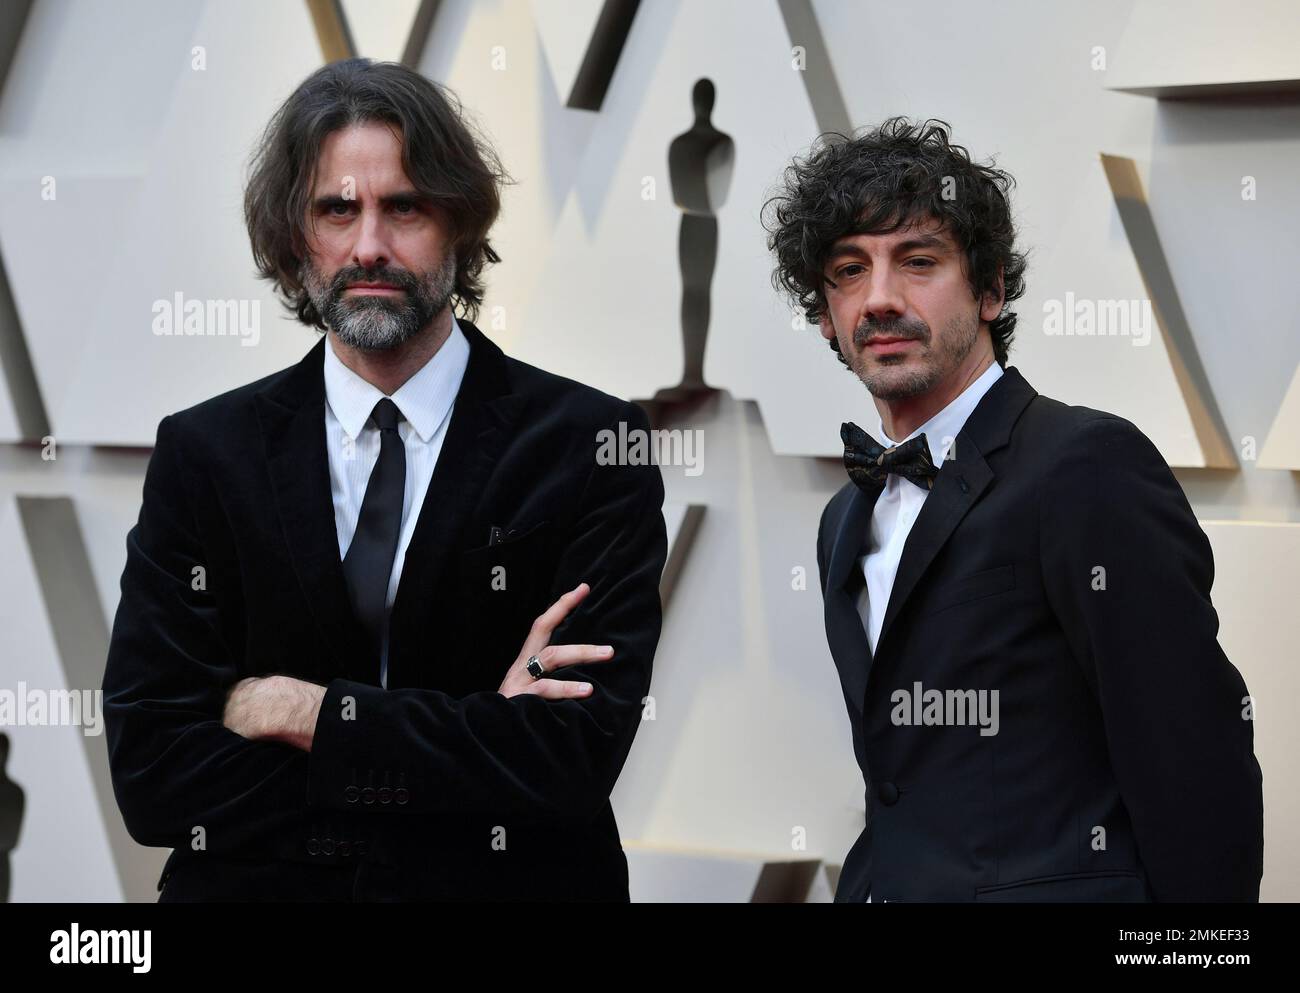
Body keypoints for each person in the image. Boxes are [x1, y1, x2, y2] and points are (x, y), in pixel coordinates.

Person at [102, 58, 666, 902]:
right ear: (296, 237)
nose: (370, 245)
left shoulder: (591, 445)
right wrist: (464, 758)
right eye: (338, 209)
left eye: (404, 206)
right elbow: (155, 774)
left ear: (459, 223)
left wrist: (306, 713)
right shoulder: (204, 453)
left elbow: (566, 761)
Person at [765, 116, 1263, 902]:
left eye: (918, 261)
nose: (880, 298)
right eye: (849, 271)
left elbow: (1195, 762)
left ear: (990, 287)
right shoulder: (843, 520)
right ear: (824, 314)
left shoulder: (1084, 464)